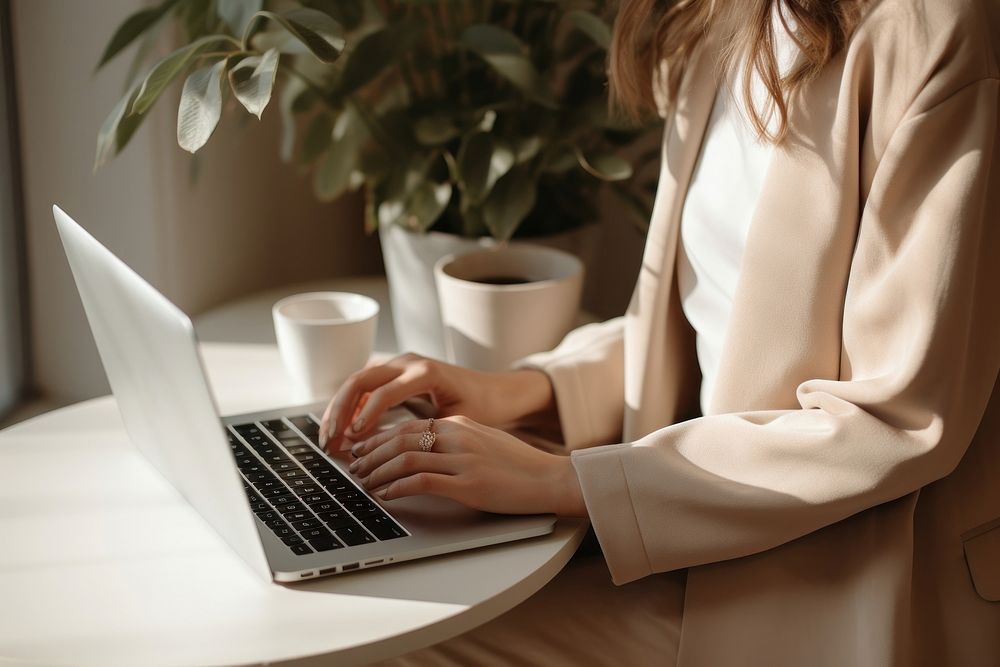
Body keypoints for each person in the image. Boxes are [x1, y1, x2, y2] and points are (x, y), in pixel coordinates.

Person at [320, 0, 1000, 664]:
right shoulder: (713, 20)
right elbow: (704, 328)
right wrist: (525, 391)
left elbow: (894, 416)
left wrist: (575, 483)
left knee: (374, 636)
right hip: (684, 538)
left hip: (830, 582)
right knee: (361, 595)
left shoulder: (931, 29)